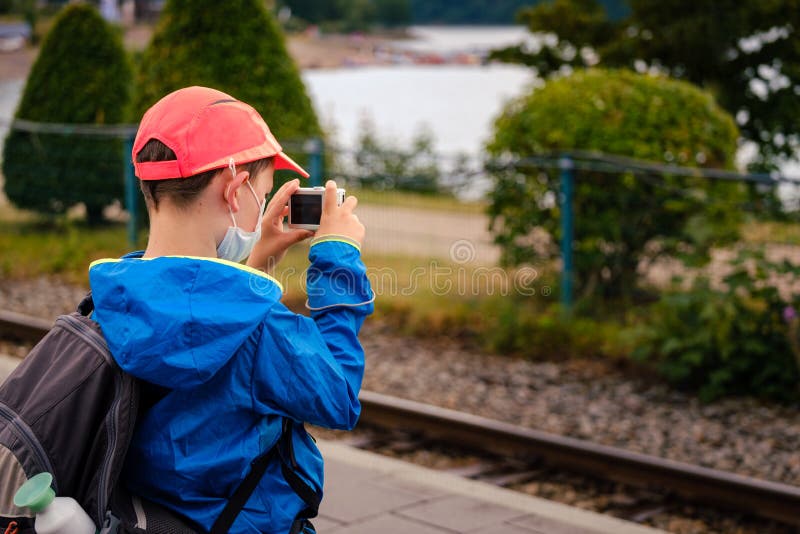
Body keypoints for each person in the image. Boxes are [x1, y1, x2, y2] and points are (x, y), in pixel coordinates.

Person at [88, 86, 374, 533]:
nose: (262, 203)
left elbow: (194, 315)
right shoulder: (258, 332)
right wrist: (339, 259)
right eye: (262, 191)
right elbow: (338, 397)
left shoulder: (109, 300)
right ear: (237, 190)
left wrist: (257, 262)